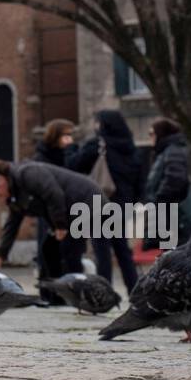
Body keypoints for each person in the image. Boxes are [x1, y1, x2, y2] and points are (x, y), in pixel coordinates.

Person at [0, 158, 102, 275]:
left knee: (69, 250)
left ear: (0, 180)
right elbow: (11, 225)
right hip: (69, 212)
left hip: (86, 200)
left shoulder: (27, 174)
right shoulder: (15, 196)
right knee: (47, 251)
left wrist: (60, 226)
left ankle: (76, 287)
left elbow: (54, 194)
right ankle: (53, 293)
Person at [68, 109, 141, 292]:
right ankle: (134, 290)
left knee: (102, 251)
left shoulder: (97, 145)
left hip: (100, 203)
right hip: (123, 204)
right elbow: (138, 177)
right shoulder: (129, 147)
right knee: (123, 250)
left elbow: (74, 165)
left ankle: (103, 291)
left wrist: (71, 147)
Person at [31, 120, 76, 303]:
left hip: (65, 209)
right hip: (48, 210)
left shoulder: (68, 155)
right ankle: (47, 293)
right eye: (66, 136)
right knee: (47, 251)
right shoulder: (42, 158)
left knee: (63, 252)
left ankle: (60, 293)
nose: (69, 140)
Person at [143, 118, 191, 248]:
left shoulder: (173, 151)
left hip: (176, 220)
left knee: (176, 259)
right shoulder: (166, 152)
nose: (150, 137)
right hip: (170, 219)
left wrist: (159, 201)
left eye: (152, 133)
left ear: (161, 134)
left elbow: (175, 181)